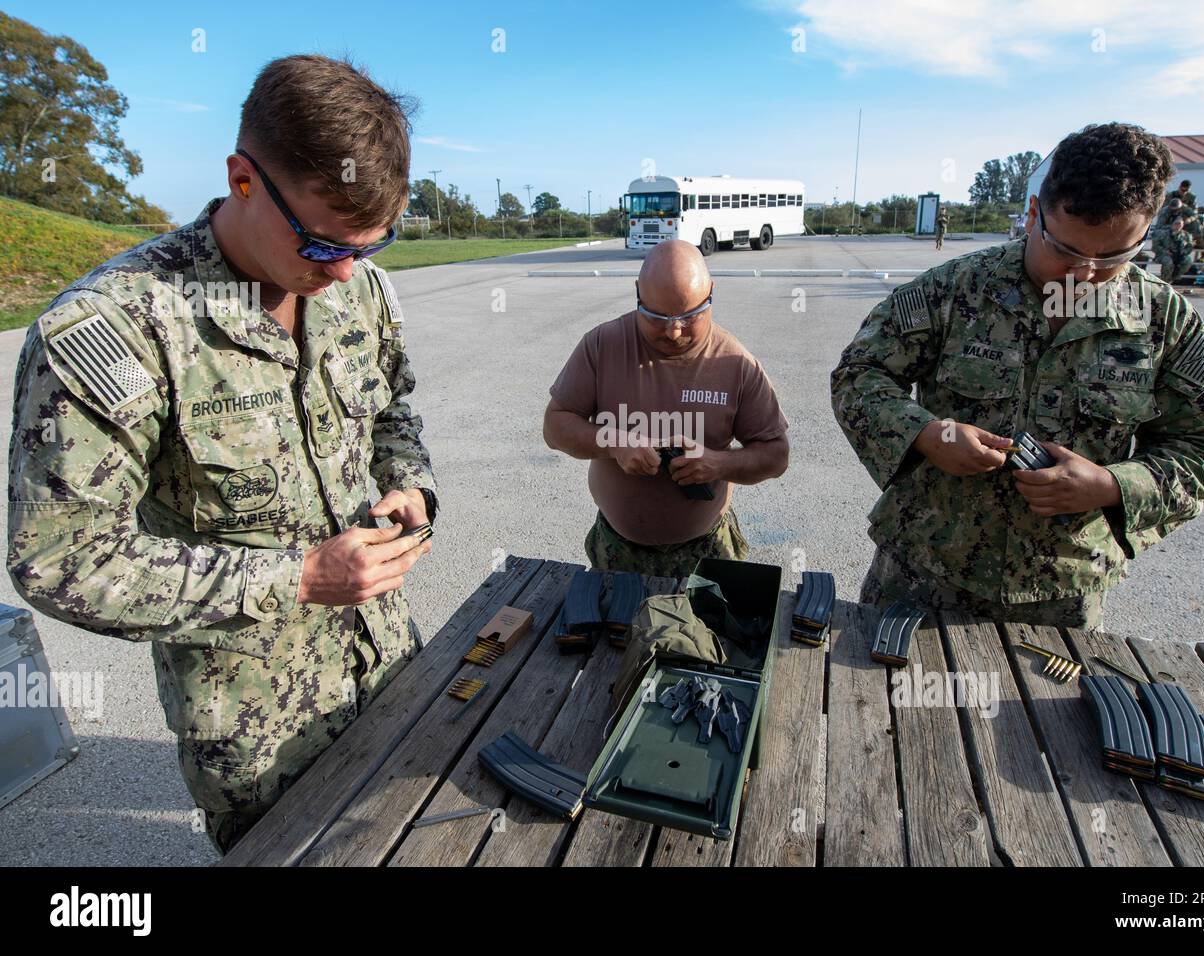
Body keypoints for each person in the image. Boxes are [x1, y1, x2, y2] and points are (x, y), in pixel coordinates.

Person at [7, 55, 438, 854]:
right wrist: (299, 579)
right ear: (243, 178)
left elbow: (392, 413)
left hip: (387, 665)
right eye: (318, 242)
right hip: (257, 729)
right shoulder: (117, 329)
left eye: (370, 246)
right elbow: (60, 560)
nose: (342, 272)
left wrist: (407, 482)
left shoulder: (356, 288)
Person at [830, 122, 1204, 631]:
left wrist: (1112, 484)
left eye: (1112, 258)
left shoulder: (1166, 323)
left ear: (1145, 233)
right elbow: (859, 376)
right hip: (925, 574)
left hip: (1062, 595)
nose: (1084, 274)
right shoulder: (953, 290)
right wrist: (928, 434)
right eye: (1066, 251)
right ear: (1032, 214)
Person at [543, 240, 789, 578]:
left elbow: (776, 455)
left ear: (711, 293)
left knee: (711, 632)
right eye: (657, 316)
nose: (674, 331)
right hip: (618, 550)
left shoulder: (736, 364)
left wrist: (718, 463)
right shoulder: (602, 346)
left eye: (690, 316)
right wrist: (614, 442)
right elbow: (555, 426)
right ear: (637, 293)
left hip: (706, 551)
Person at [1153, 217, 1195, 283]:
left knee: (1188, 261)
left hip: (1179, 255)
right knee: (1168, 262)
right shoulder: (1163, 234)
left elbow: (1189, 247)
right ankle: (1164, 281)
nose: (1178, 226)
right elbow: (1155, 247)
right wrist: (1165, 251)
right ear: (1172, 224)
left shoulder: (1186, 235)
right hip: (1164, 255)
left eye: (1180, 224)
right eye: (1176, 223)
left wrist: (1183, 252)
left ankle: (1174, 278)